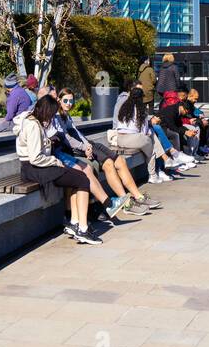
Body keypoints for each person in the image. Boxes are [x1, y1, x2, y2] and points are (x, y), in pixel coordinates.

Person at [52, 89, 160, 212]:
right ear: (59, 100)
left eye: (71, 100)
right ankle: (126, 203)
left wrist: (87, 144)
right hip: (77, 149)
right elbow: (67, 138)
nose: (69, 103)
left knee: (120, 161)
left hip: (88, 144)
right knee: (109, 164)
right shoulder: (57, 116)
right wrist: (85, 147)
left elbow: (77, 132)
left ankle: (138, 196)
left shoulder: (66, 115)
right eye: (65, 100)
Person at [16, 94, 101, 244]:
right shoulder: (33, 125)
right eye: (52, 114)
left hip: (36, 167)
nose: (52, 118)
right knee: (82, 179)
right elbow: (35, 157)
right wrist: (54, 161)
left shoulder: (33, 121)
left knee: (78, 178)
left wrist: (49, 144)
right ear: (46, 111)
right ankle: (82, 228)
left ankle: (75, 223)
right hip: (35, 168)